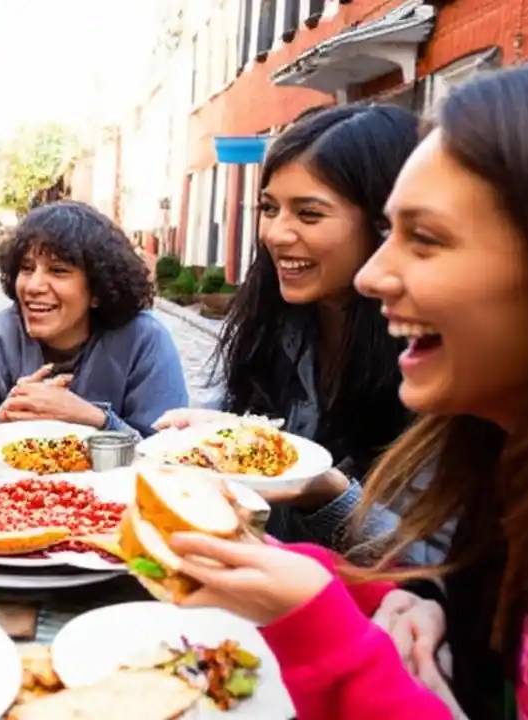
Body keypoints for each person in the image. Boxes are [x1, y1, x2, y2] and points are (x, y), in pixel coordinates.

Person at [166, 57, 528, 720]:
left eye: (424, 237)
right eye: (268, 208)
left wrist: (333, 598)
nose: (376, 275)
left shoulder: (444, 387)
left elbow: (424, 557)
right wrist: (394, 602)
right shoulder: (284, 330)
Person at [155, 104, 420, 554]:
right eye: (268, 208)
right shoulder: (272, 327)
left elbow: (437, 568)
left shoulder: (436, 362)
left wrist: (328, 493)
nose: (276, 234)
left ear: (384, 224)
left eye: (309, 214)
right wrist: (230, 439)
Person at [0, 201, 188, 437]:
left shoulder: (144, 341)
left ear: (98, 289)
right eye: (26, 269)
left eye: (58, 271)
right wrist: (2, 419)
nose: (33, 285)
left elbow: (172, 454)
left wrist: (97, 420)